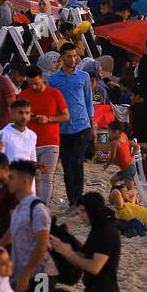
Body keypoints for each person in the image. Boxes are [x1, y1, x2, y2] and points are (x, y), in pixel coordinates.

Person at [48, 42, 96, 206]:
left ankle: (79, 198)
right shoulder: (53, 80)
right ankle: (72, 200)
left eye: (75, 56)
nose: (73, 59)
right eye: (69, 56)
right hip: (62, 127)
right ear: (62, 57)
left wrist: (93, 126)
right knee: (67, 164)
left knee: (77, 160)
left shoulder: (84, 77)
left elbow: (89, 103)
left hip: (82, 125)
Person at [19, 66, 69, 205]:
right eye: (31, 83)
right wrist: (30, 117)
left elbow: (65, 115)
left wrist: (49, 119)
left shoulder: (55, 93)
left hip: (50, 141)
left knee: (47, 176)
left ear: (42, 78)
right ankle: (34, 204)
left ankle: (43, 206)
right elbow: (17, 116)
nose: (34, 86)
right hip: (30, 142)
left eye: (37, 83)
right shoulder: (24, 95)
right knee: (33, 175)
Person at [6, 159, 53, 292]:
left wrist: (26, 274)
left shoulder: (38, 209)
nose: (8, 181)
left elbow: (42, 245)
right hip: (20, 273)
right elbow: (12, 234)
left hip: (40, 274)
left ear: (25, 180)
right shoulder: (20, 206)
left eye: (12, 177)